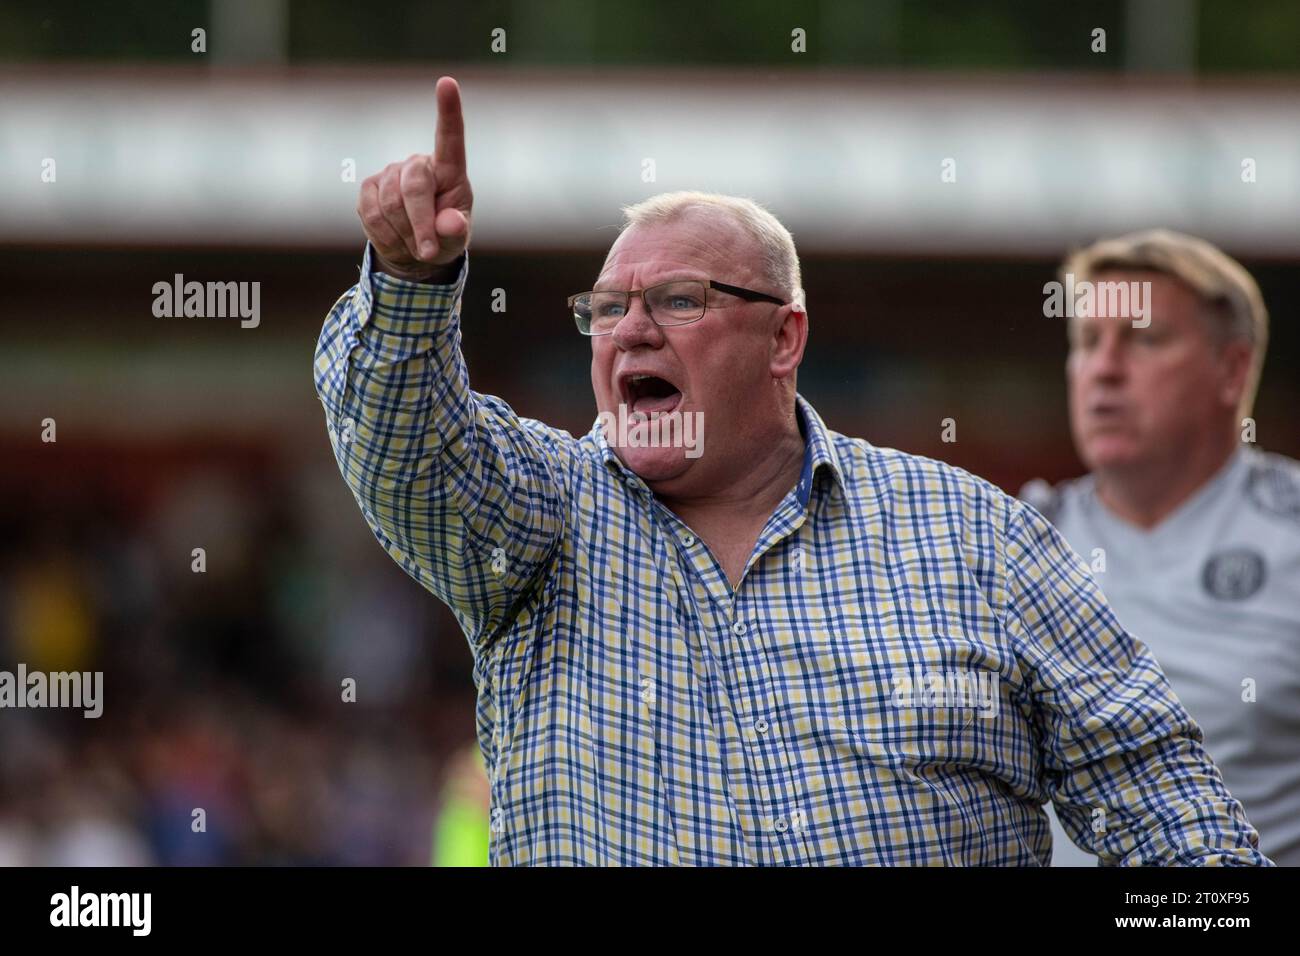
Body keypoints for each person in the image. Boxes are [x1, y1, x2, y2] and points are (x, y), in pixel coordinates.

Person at [313, 77, 1269, 865]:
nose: (631, 330)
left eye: (678, 300)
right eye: (605, 310)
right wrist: (408, 284)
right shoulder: (541, 515)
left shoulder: (979, 538)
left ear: (784, 338)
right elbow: (404, 450)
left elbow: (1169, 811)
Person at [1022, 229, 1300, 866]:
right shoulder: (1015, 541)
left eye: (1144, 340)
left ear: (1232, 370)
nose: (1105, 368)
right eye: (1088, 342)